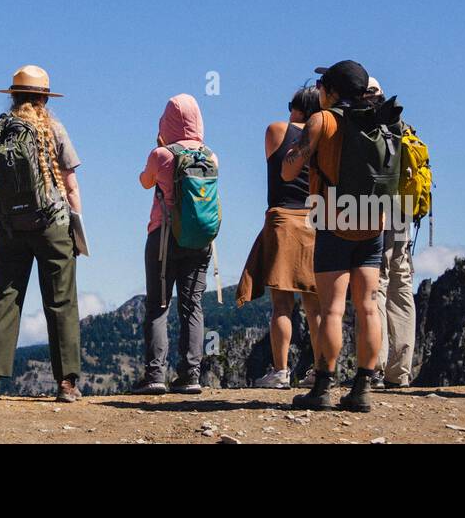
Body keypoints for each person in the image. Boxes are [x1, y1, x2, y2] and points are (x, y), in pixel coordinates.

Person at [283, 60, 397, 412]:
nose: (319, 91)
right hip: (372, 220)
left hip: (333, 217)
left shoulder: (322, 119)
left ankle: (322, 387)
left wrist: (298, 150)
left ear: (331, 91)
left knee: (332, 309)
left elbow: (290, 172)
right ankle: (362, 388)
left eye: (322, 86)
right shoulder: (381, 119)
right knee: (367, 307)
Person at [0, 65, 83, 403]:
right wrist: (76, 225)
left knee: (4, 297)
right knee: (60, 301)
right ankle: (66, 384)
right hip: (53, 226)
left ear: (13, 96)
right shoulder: (54, 130)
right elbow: (71, 186)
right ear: (45, 98)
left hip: (9, 228)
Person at [236, 85, 321, 389]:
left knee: (282, 305)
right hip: (315, 219)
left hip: (283, 219)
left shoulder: (276, 130)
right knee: (315, 305)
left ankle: (280, 371)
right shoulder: (324, 137)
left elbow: (272, 160)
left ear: (297, 107)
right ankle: (320, 370)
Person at [132, 94, 216, 395]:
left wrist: (159, 145)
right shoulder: (210, 156)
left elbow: (144, 181)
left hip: (164, 237)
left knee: (158, 304)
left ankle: (155, 375)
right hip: (200, 239)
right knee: (192, 305)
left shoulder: (162, 155)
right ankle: (191, 375)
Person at [367, 75, 424, 389]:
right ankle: (399, 372)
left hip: (375, 212)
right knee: (402, 289)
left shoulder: (373, 127)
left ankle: (374, 365)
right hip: (404, 212)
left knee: (376, 285)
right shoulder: (406, 127)